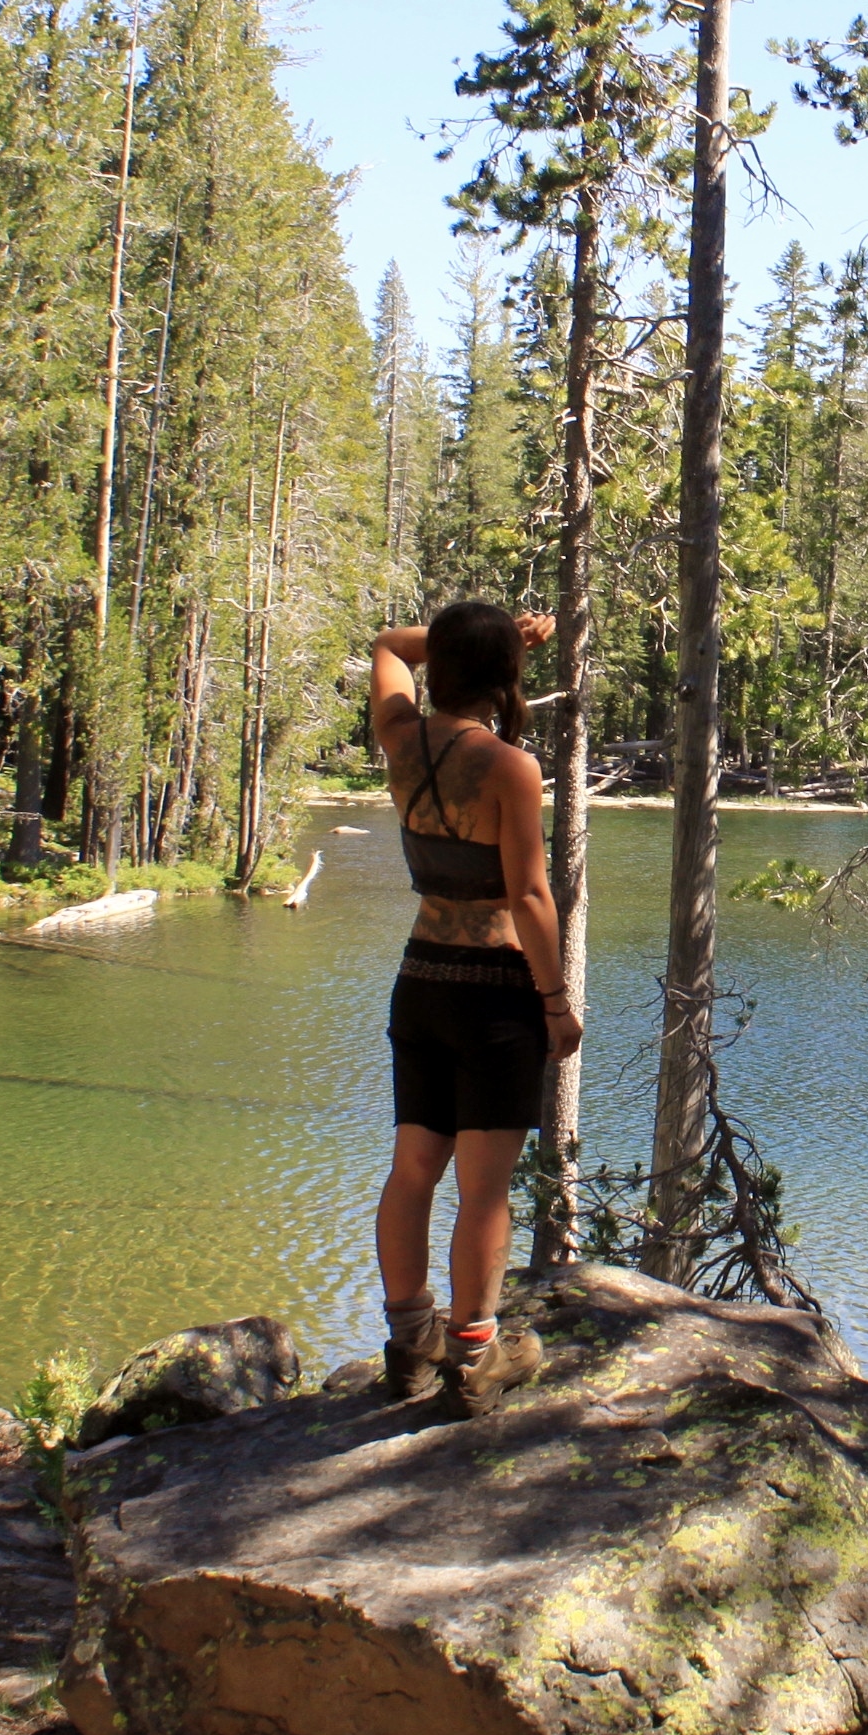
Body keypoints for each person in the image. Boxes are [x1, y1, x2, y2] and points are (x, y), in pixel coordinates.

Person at [365, 601, 579, 1416]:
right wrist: (556, 1005)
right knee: (484, 1189)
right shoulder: (507, 768)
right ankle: (477, 1354)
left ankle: (409, 1344)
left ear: (443, 667)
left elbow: (389, 644)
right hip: (495, 990)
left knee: (414, 1164)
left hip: (420, 979)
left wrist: (476, 645)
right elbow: (527, 894)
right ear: (503, 681)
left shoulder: (399, 737)